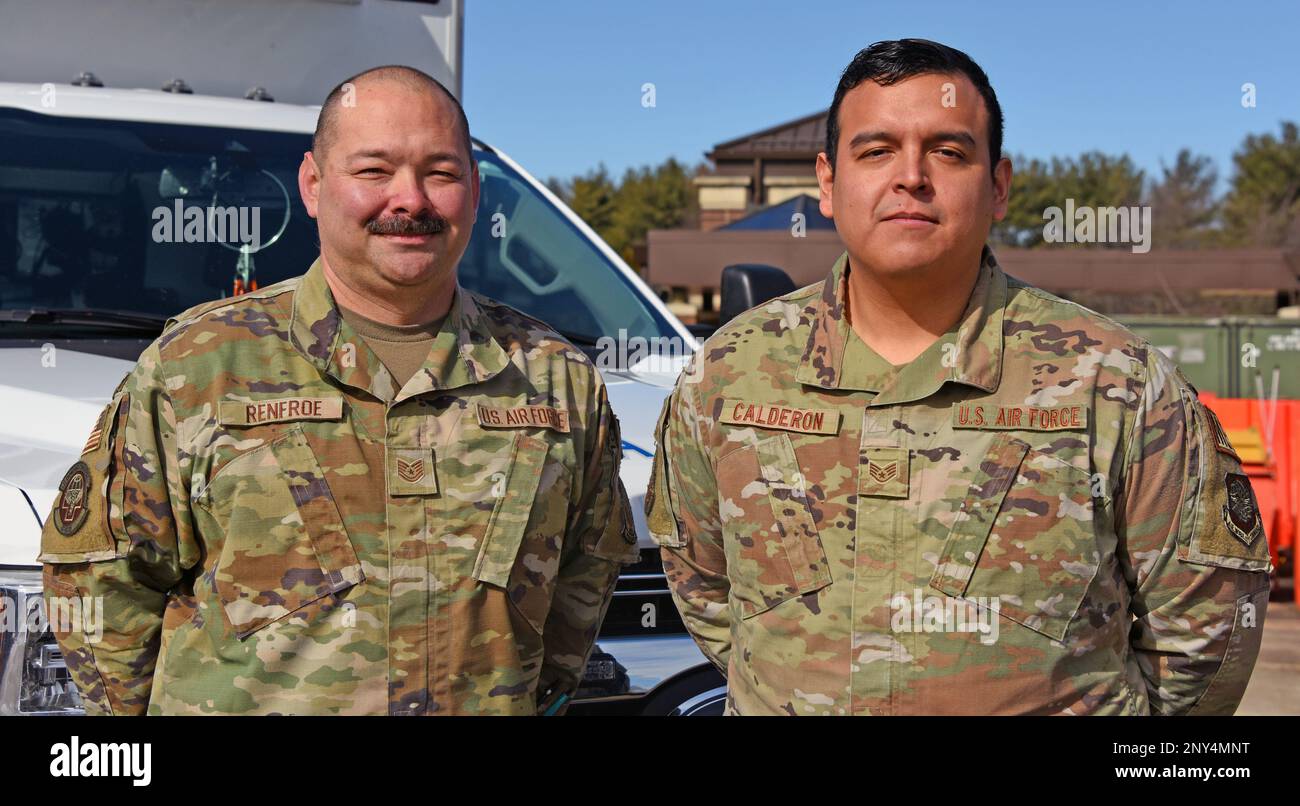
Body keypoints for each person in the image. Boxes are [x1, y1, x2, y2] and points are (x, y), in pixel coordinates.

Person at [646, 39, 1271, 715]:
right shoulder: (726, 377)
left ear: (997, 185)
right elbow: (705, 590)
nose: (911, 176)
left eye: (949, 151)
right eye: (876, 150)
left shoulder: (1116, 383)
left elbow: (1204, 640)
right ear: (827, 183)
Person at [40, 65, 638, 716]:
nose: (409, 200)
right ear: (314, 185)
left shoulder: (557, 381)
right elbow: (102, 583)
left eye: (440, 172)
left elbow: (580, 587)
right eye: (374, 170)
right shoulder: (199, 370)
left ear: (472, 190)